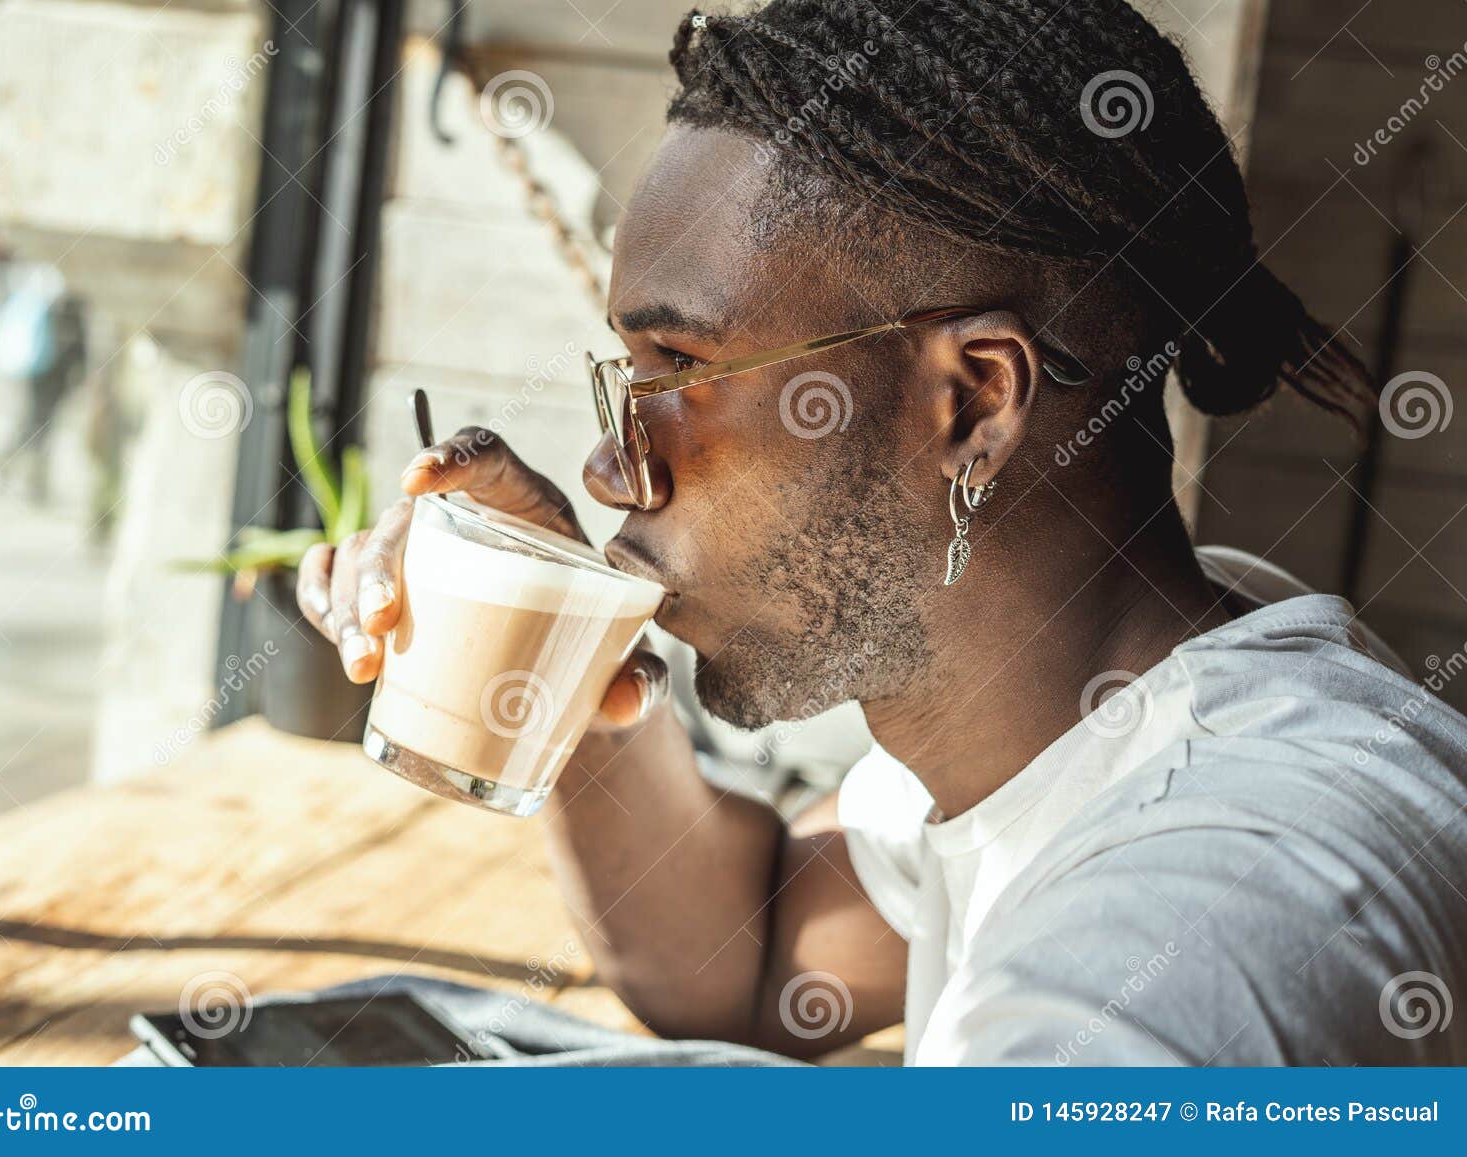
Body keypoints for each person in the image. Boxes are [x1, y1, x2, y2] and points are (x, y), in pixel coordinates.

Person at [298, 1, 1467, 1065]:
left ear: (970, 404)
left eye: (685, 367)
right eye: (628, 373)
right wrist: (551, 647)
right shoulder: (1124, 687)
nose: (610, 464)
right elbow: (746, 952)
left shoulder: (1179, 945)